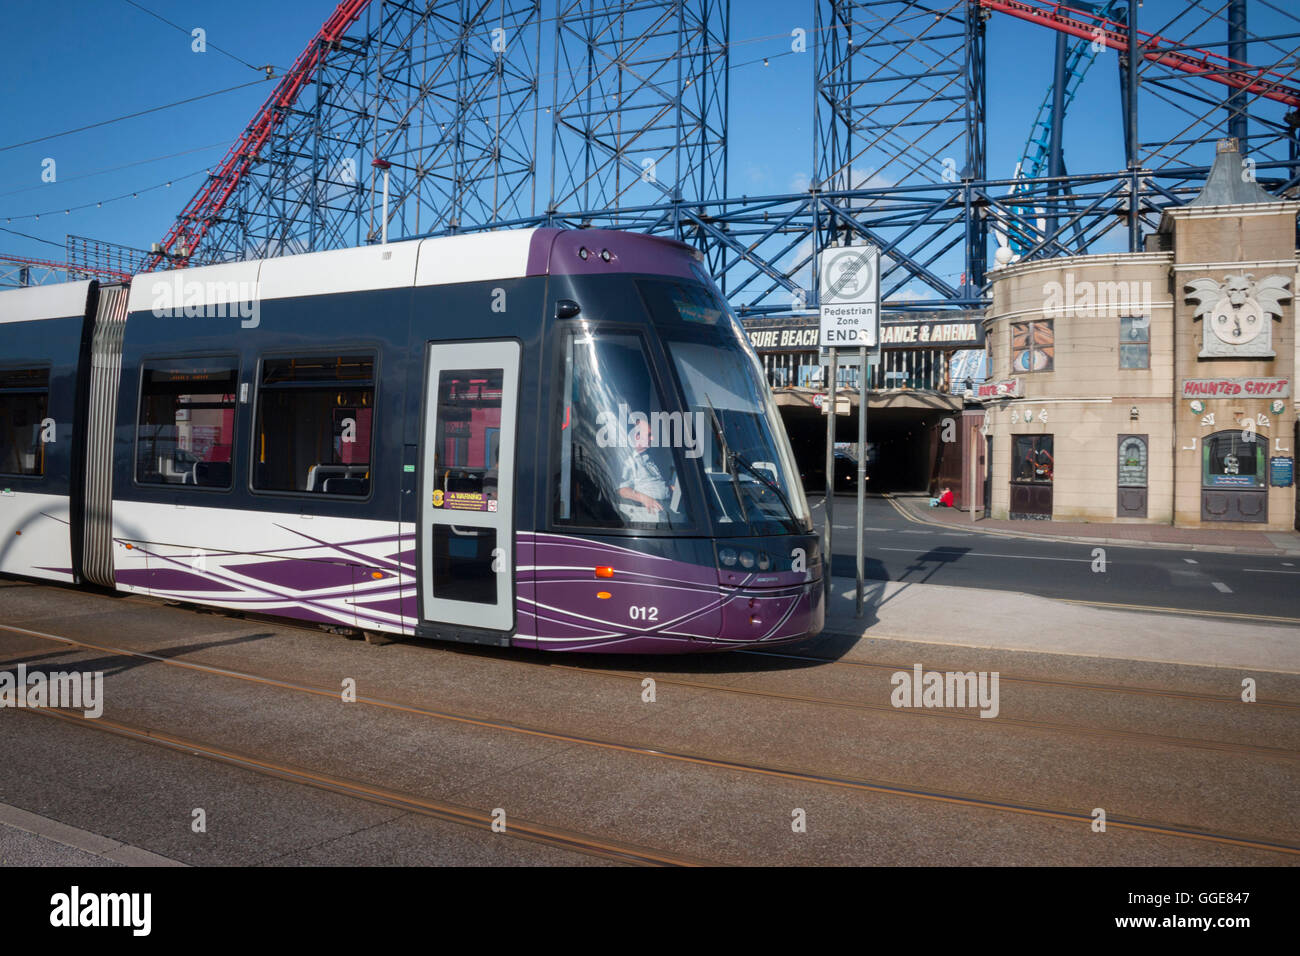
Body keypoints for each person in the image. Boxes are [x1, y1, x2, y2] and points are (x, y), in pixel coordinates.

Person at [617, 418, 676, 520]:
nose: (652, 438)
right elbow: (622, 490)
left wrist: (673, 489)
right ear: (637, 436)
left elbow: (655, 484)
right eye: (649, 435)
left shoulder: (647, 458)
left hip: (664, 510)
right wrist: (645, 499)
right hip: (646, 515)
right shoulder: (626, 460)